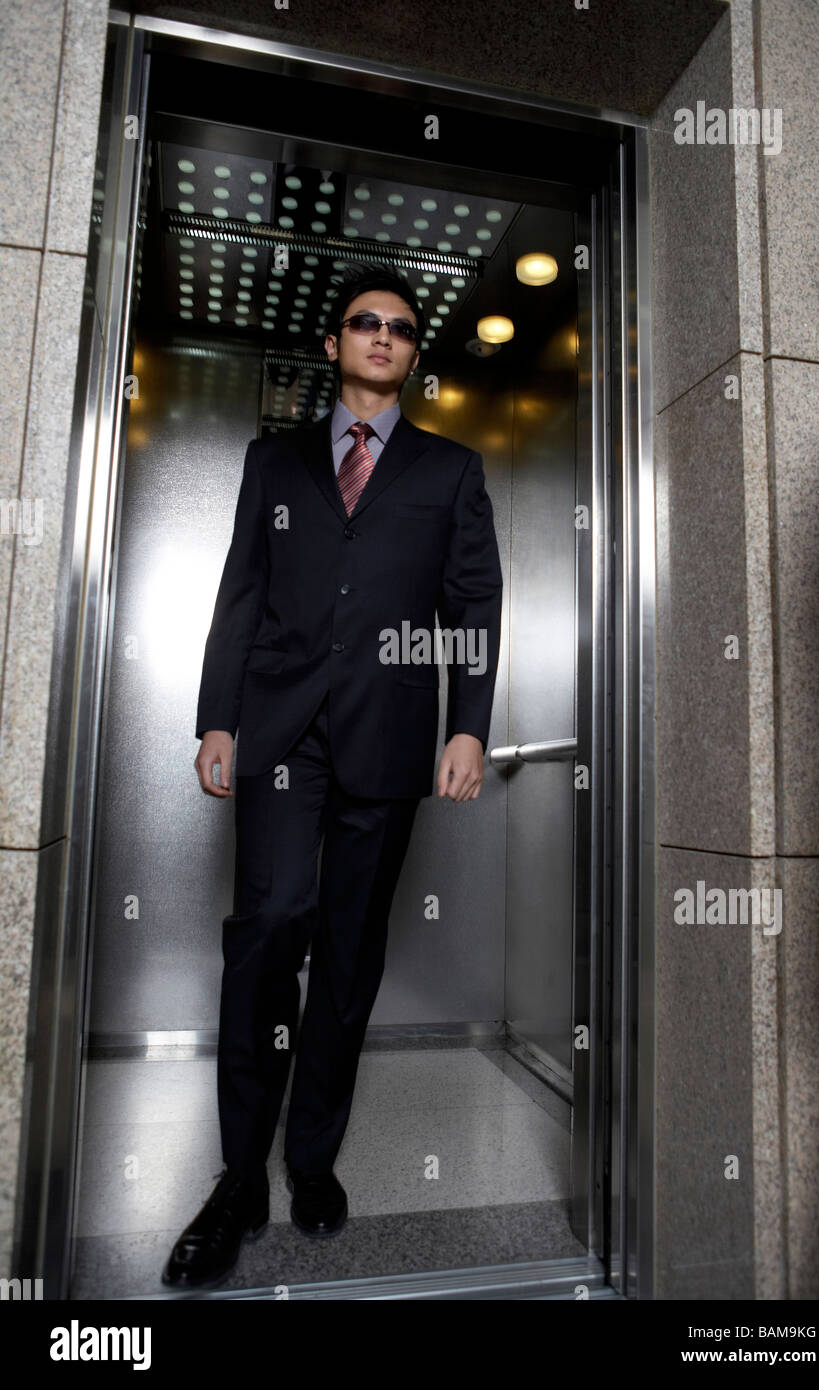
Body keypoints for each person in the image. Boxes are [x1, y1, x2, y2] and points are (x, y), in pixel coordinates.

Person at [162, 262, 503, 1289]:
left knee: (349, 958)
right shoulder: (274, 461)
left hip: (389, 739)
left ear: (410, 354)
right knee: (267, 929)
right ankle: (237, 1178)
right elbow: (240, 594)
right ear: (332, 345)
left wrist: (467, 727)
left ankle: (309, 1160)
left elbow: (471, 610)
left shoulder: (450, 471)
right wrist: (216, 717)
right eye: (364, 322)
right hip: (278, 735)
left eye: (400, 327)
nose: (382, 336)